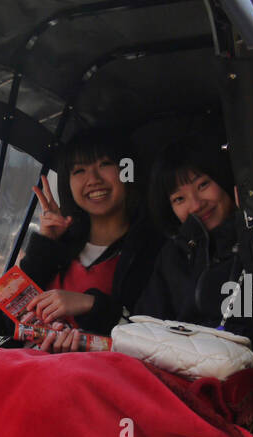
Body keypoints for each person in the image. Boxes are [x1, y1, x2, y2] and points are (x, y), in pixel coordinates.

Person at [17, 128, 165, 352]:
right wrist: (46, 244)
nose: (93, 180)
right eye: (79, 171)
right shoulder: (57, 246)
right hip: (34, 366)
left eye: (105, 164)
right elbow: (4, 319)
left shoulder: (154, 250)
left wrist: (90, 305)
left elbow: (156, 338)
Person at [134, 134, 253, 355]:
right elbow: (145, 328)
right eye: (179, 199)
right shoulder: (173, 256)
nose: (196, 205)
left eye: (203, 185)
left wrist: (247, 229)